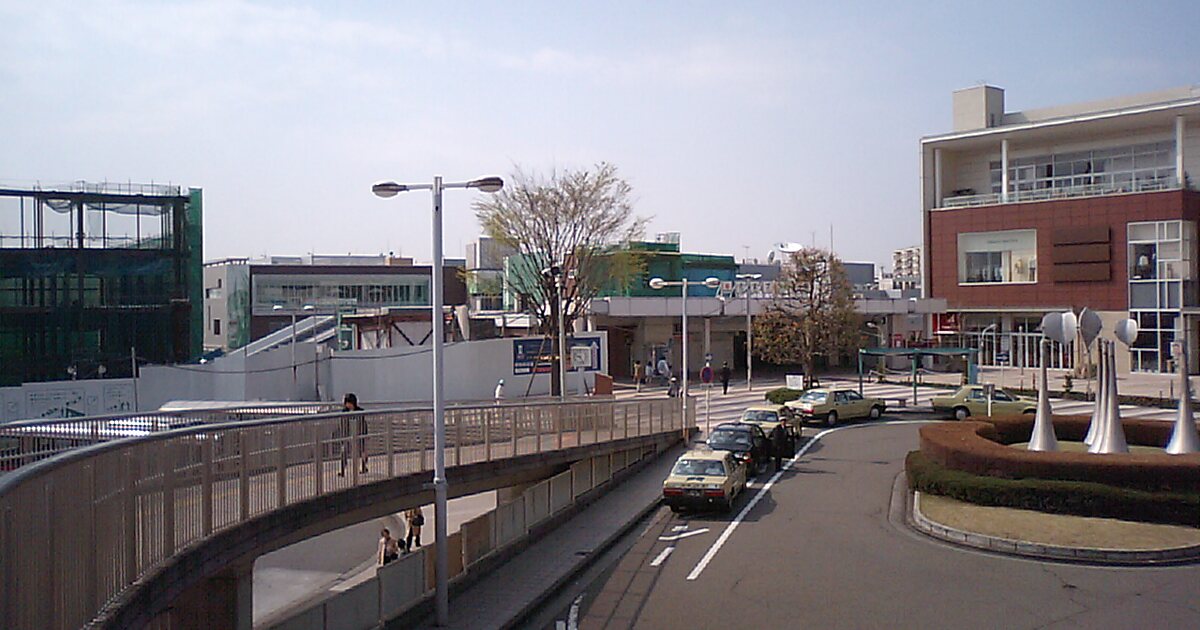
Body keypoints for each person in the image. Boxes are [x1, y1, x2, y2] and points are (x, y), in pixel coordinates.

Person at [338, 393, 369, 477]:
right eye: (347, 403)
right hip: (347, 434)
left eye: (349, 403)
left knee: (362, 450)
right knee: (344, 450)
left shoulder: (360, 411)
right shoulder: (344, 412)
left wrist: (365, 435)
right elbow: (343, 424)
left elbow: (363, 424)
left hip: (360, 434)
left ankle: (363, 466)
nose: (348, 405)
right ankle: (342, 470)